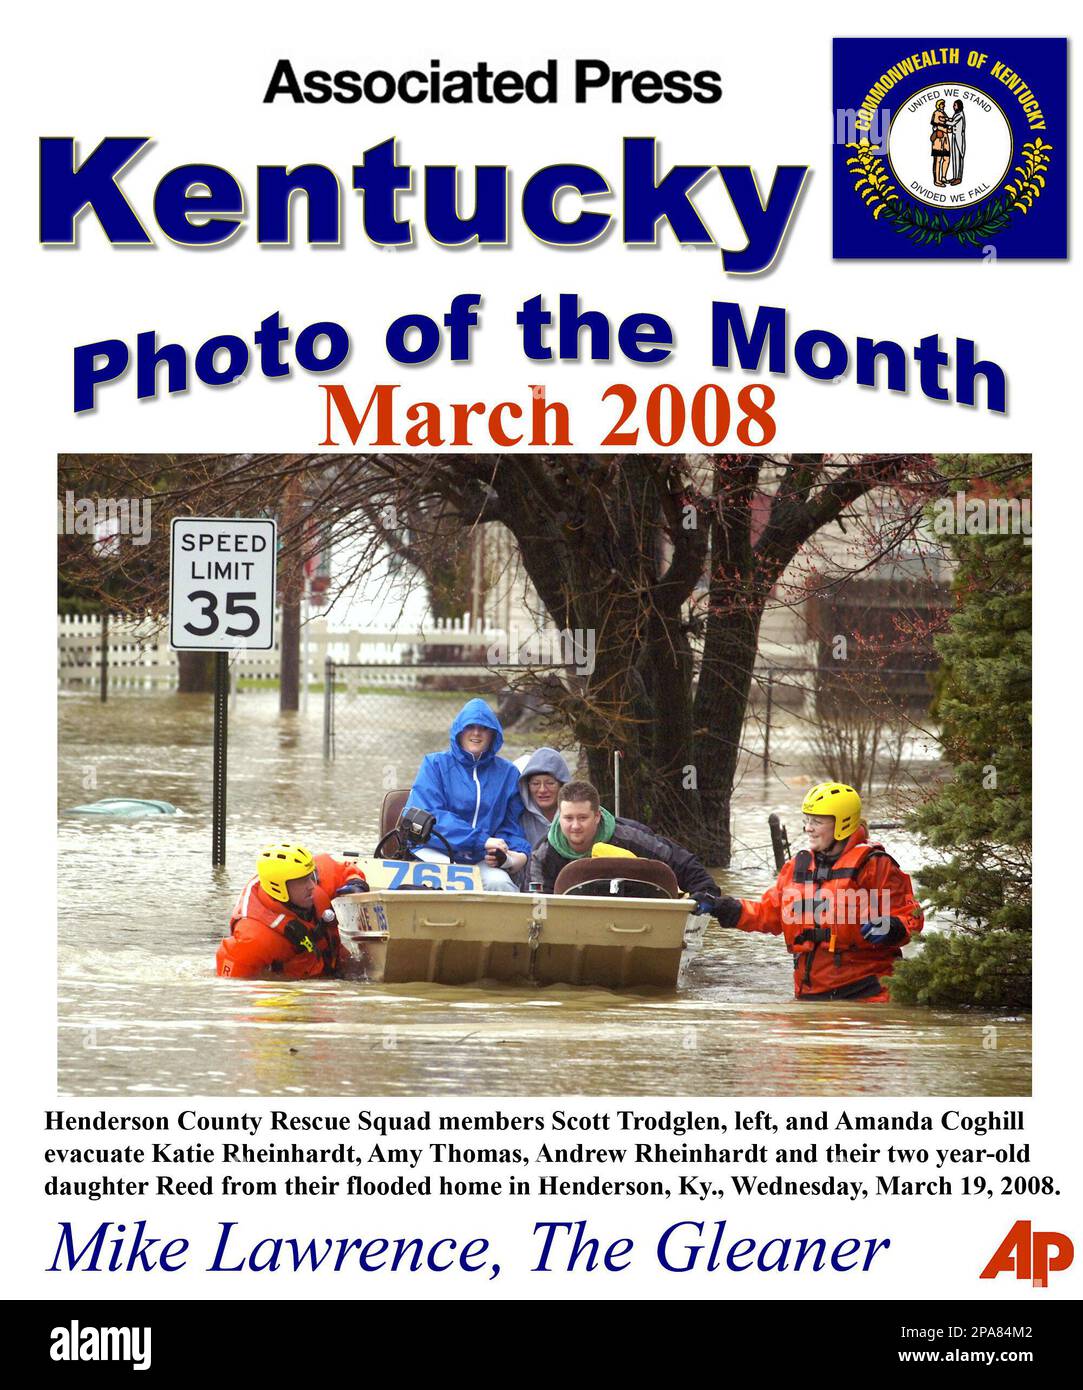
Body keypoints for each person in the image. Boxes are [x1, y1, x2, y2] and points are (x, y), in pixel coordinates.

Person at [711, 782, 924, 1002]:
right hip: (811, 994)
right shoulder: (797, 866)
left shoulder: (875, 865)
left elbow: (911, 917)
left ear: (843, 824)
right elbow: (771, 914)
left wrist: (894, 927)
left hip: (869, 993)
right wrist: (732, 910)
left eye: (817, 822)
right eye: (807, 820)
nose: (808, 828)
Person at [528, 778, 723, 907]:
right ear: (559, 817)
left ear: (597, 816)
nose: (575, 826)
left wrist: (706, 892)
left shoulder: (629, 838)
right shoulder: (544, 853)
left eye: (582, 818)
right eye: (568, 818)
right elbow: (538, 905)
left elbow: (681, 861)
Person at [406, 698, 530, 892]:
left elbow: (511, 827)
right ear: (459, 731)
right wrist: (481, 840)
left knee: (501, 884)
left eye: (484, 728)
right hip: (433, 851)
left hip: (480, 858)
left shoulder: (508, 774)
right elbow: (428, 817)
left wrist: (510, 856)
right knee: (450, 880)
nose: (476, 733)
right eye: (470, 726)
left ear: (493, 734)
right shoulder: (434, 764)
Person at [217, 843, 370, 979]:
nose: (312, 885)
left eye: (310, 877)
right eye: (303, 881)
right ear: (279, 888)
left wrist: (356, 883)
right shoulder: (253, 938)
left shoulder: (307, 877)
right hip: (300, 988)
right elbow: (231, 982)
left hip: (335, 966)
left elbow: (340, 868)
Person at [516, 747, 572, 850]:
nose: (542, 790)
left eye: (550, 783)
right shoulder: (518, 818)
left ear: (562, 785)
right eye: (535, 783)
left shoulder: (576, 816)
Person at [930, 100, 950, 187]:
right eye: (942, 104)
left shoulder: (944, 113)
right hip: (938, 139)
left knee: (946, 158)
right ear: (938, 105)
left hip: (945, 139)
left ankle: (943, 177)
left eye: (943, 104)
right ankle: (937, 180)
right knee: (938, 160)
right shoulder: (936, 113)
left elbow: (947, 122)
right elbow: (936, 125)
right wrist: (946, 129)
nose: (943, 106)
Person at [948, 99, 966, 185]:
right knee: (954, 158)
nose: (953, 107)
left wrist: (942, 120)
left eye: (955, 105)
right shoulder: (956, 114)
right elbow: (952, 122)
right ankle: (955, 177)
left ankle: (959, 178)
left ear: (959, 106)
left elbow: (952, 123)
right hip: (954, 137)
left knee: (959, 158)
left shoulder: (960, 114)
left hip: (959, 139)